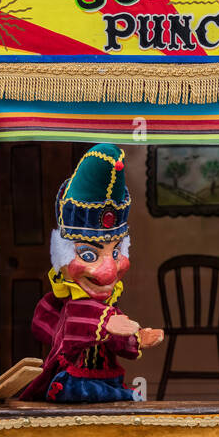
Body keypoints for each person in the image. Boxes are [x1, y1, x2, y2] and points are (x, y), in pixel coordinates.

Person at [19, 144, 162, 403]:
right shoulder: (76, 309)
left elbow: (116, 343)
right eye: (89, 255)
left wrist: (136, 339)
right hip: (75, 377)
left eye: (115, 253)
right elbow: (74, 327)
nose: (108, 273)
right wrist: (107, 323)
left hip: (105, 376)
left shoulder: (108, 308)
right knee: (101, 395)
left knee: (118, 396)